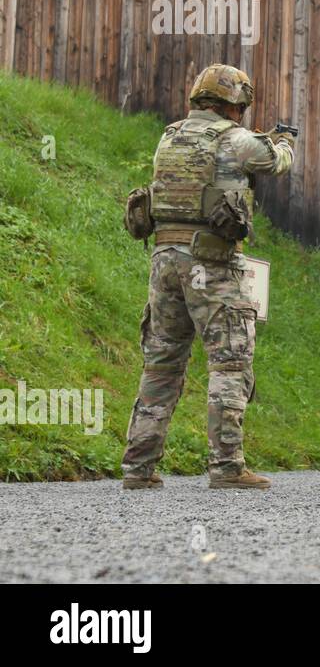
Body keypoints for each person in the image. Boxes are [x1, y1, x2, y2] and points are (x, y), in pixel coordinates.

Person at [121, 64, 294, 490]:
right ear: (235, 103)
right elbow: (275, 163)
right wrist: (285, 140)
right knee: (230, 361)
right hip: (210, 264)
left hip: (164, 261)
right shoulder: (235, 138)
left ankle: (138, 469)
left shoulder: (170, 135)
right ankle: (227, 466)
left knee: (161, 363)